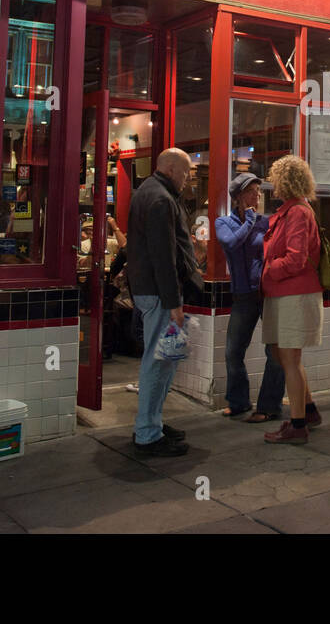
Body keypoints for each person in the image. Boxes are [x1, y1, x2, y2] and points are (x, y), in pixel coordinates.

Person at [127, 148, 198, 456]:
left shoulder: (149, 191)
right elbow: (163, 257)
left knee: (166, 360)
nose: (187, 179)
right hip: (159, 294)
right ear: (170, 169)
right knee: (158, 363)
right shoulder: (160, 199)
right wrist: (173, 303)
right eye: (185, 172)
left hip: (152, 291)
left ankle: (152, 422)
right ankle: (147, 434)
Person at [260, 155, 324, 444]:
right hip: (284, 293)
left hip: (293, 294)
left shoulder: (297, 212)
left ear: (285, 181)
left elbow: (296, 258)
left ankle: (298, 426)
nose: (272, 184)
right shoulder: (292, 211)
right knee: (283, 355)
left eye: (275, 179)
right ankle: (309, 411)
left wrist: (269, 268)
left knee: (289, 358)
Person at [215, 172, 286, 423]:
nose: (256, 196)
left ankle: (270, 405)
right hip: (242, 296)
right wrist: (249, 222)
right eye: (250, 191)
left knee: (275, 351)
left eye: (258, 191)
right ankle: (238, 402)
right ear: (238, 197)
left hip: (267, 293)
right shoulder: (224, 223)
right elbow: (231, 244)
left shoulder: (266, 222)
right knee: (233, 351)